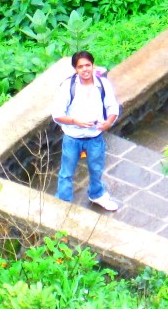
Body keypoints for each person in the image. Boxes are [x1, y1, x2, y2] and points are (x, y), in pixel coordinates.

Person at [51, 50, 121, 210]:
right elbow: (57, 114)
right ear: (76, 69)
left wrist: (108, 122)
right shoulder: (68, 87)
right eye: (80, 66)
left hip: (94, 136)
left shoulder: (102, 84)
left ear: (93, 65)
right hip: (72, 137)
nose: (85, 69)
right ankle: (63, 201)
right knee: (66, 172)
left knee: (96, 168)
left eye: (87, 65)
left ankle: (97, 194)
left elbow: (113, 107)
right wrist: (75, 121)